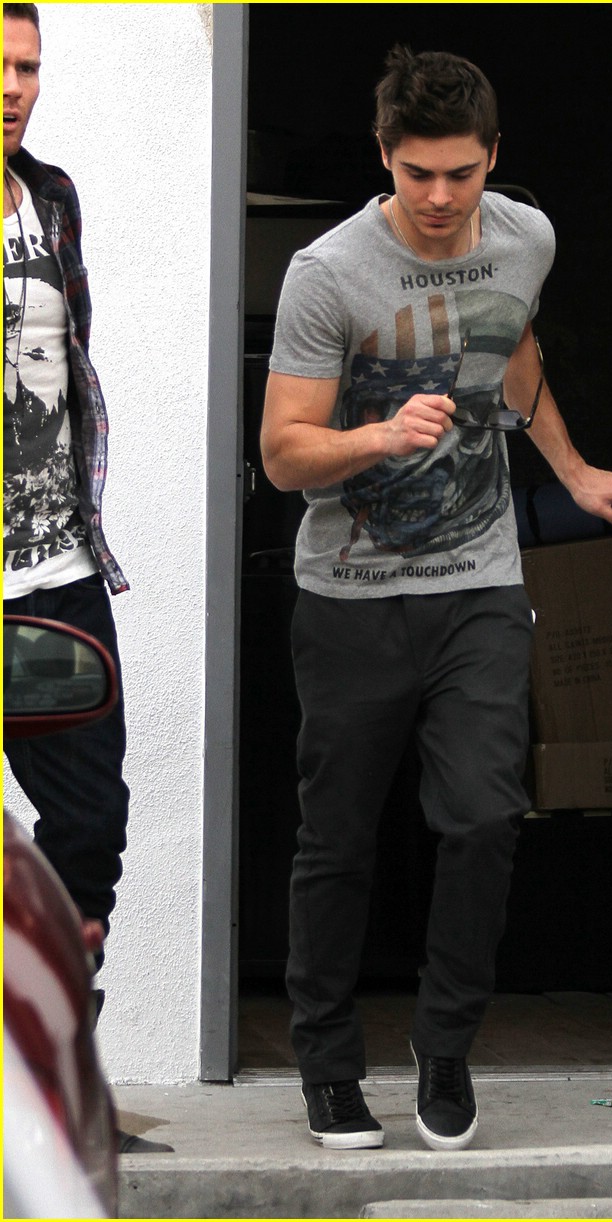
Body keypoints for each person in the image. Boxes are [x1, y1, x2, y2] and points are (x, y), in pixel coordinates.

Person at [262, 44, 612, 1153]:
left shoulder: (524, 239)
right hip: (350, 595)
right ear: (383, 157)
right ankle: (328, 1067)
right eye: (418, 174)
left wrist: (572, 471)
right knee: (338, 841)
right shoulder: (326, 273)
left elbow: (512, 343)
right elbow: (283, 454)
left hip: (479, 580)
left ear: (494, 157)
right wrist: (377, 435)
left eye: (461, 173)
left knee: (487, 815)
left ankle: (443, 1046)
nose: (441, 197)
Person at [2, 2, 170, 1155]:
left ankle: (51, 1083)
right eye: (1, 66)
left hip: (55, 568)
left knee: (89, 822)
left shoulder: (50, 196)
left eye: (28, 67)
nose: (16, 86)